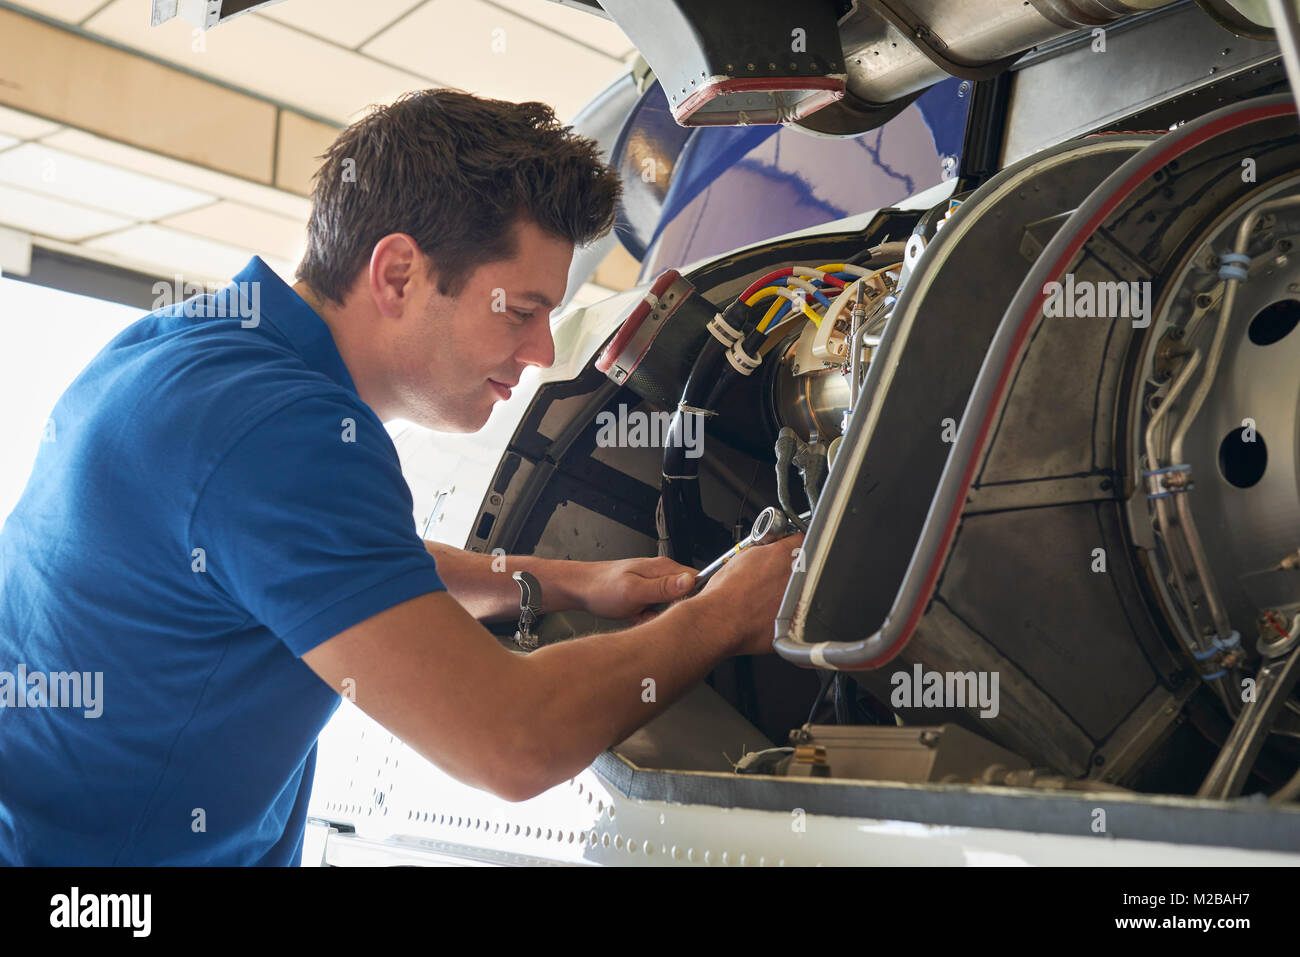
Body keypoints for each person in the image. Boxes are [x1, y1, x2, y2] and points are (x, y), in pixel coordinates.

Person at [0, 89, 801, 866]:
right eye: (521, 311)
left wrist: (570, 581)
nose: (543, 354)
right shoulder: (280, 434)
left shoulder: (185, 350)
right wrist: (728, 613)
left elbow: (348, 562)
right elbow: (511, 740)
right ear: (397, 275)